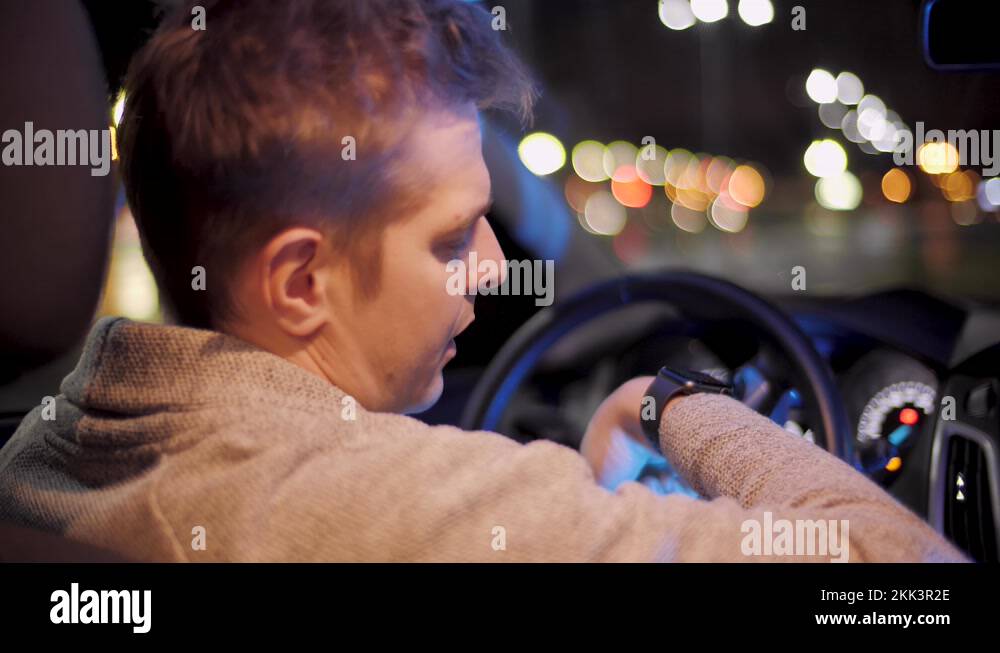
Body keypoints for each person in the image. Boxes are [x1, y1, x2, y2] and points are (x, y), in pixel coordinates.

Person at [0, 0, 965, 562]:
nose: (496, 267)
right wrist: (672, 406)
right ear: (300, 281)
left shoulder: (62, 437)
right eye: (453, 238)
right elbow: (894, 568)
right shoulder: (394, 506)